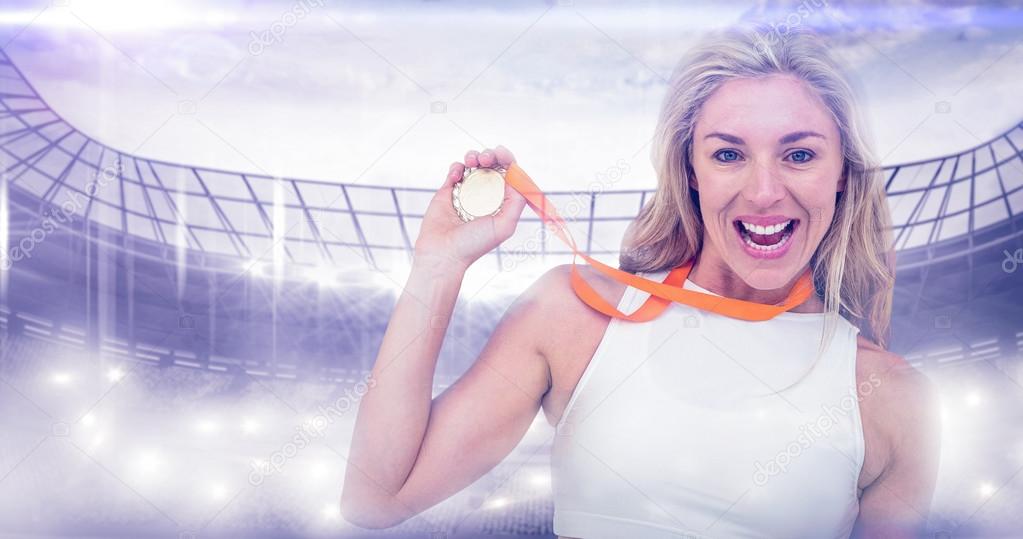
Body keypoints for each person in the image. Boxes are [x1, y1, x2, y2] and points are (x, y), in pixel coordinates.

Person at [339, 22, 941, 539]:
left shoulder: (891, 396)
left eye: (800, 155)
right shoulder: (573, 314)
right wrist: (437, 268)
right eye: (728, 154)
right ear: (691, 171)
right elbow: (376, 499)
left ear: (842, 173)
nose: (763, 192)